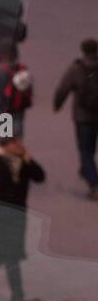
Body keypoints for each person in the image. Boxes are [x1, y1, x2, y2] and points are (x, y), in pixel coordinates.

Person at [0, 135, 45, 301]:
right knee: (12, 256)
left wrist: (28, 158)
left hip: (18, 218)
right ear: (5, 145)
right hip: (0, 220)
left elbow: (40, 177)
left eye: (19, 141)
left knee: (7, 253)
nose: (19, 145)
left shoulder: (22, 161)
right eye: (14, 143)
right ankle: (18, 296)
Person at [53, 37, 98, 200]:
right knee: (91, 147)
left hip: (82, 116)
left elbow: (63, 89)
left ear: (83, 50)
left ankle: (94, 184)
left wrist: (57, 105)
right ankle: (87, 170)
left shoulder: (76, 68)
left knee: (85, 150)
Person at [0, 39, 34, 145]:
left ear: (3, 54)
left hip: (4, 114)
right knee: (16, 143)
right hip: (18, 113)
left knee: (2, 144)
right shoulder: (23, 70)